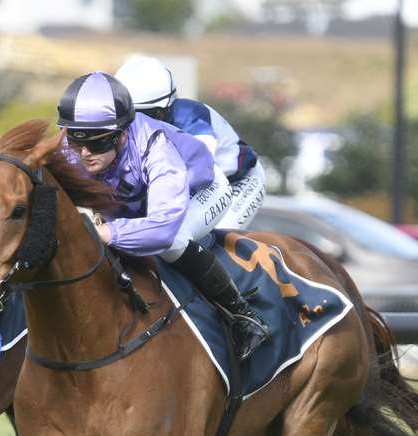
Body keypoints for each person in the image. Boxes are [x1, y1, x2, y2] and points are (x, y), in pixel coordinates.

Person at [58, 72, 269, 360]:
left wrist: (107, 232)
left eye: (97, 143)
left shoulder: (156, 147)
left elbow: (162, 229)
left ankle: (243, 315)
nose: (83, 153)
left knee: (173, 243)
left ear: (121, 135)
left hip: (202, 187)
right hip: (142, 196)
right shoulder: (69, 148)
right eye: (75, 140)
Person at [114, 55, 265, 230]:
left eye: (145, 115)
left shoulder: (190, 116)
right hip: (192, 184)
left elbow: (200, 168)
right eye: (129, 116)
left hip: (237, 180)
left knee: (197, 234)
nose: (137, 124)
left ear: (166, 108)